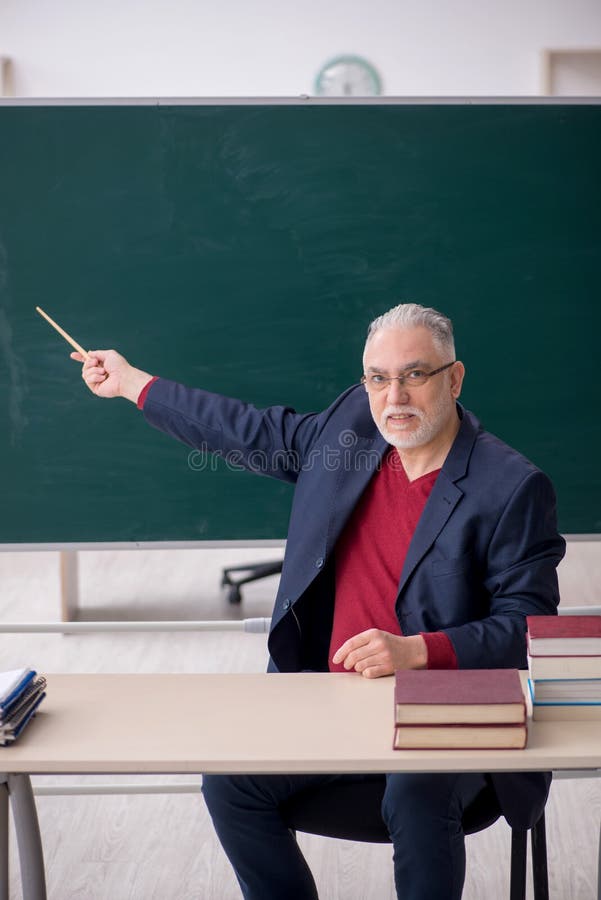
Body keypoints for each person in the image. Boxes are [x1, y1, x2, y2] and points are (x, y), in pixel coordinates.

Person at [72, 302, 565, 900]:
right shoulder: (350, 429)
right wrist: (130, 382)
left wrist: (416, 651)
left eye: (415, 374)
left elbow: (529, 629)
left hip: (446, 719)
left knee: (414, 790)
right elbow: (244, 429)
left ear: (454, 379)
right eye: (378, 378)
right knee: (230, 782)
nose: (394, 396)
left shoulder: (510, 485)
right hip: (329, 705)